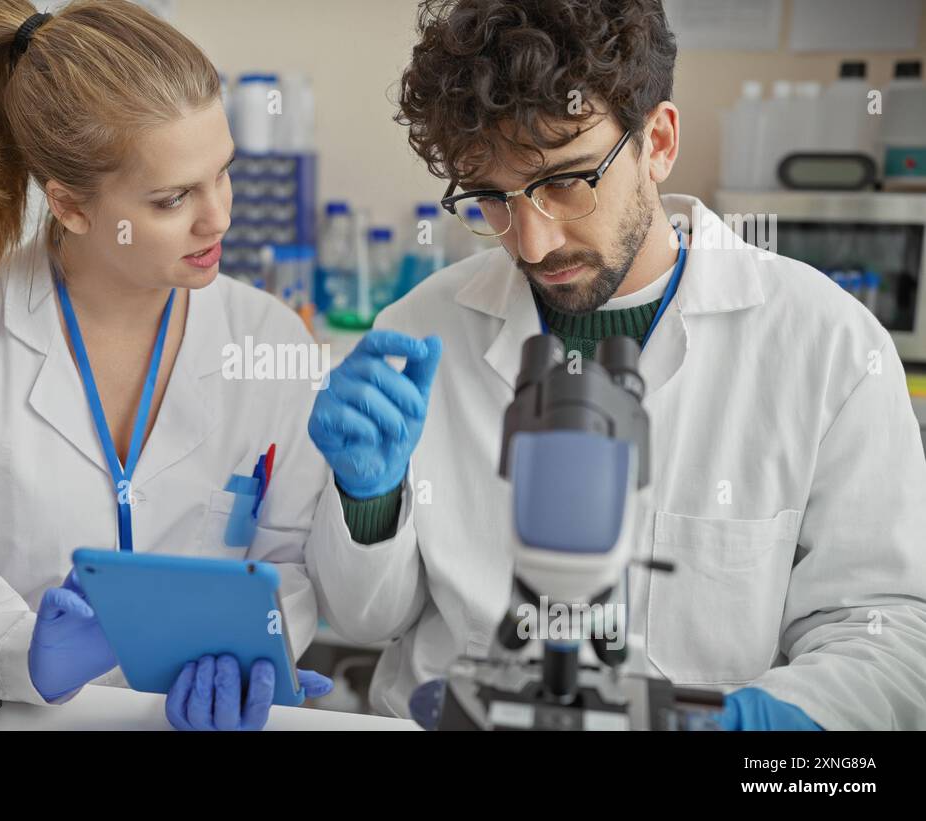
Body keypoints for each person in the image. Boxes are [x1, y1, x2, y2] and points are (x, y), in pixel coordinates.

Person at [305, 0, 926, 729]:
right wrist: (365, 499)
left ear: (656, 142)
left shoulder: (829, 347)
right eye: (490, 199)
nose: (533, 242)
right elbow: (366, 620)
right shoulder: (417, 330)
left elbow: (884, 633)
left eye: (565, 180)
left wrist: (756, 726)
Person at [0, 0, 331, 731]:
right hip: (12, 717)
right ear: (70, 205)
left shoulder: (269, 338)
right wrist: (21, 648)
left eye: (223, 173)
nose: (219, 217)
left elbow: (287, 561)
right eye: (172, 197)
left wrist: (256, 651)